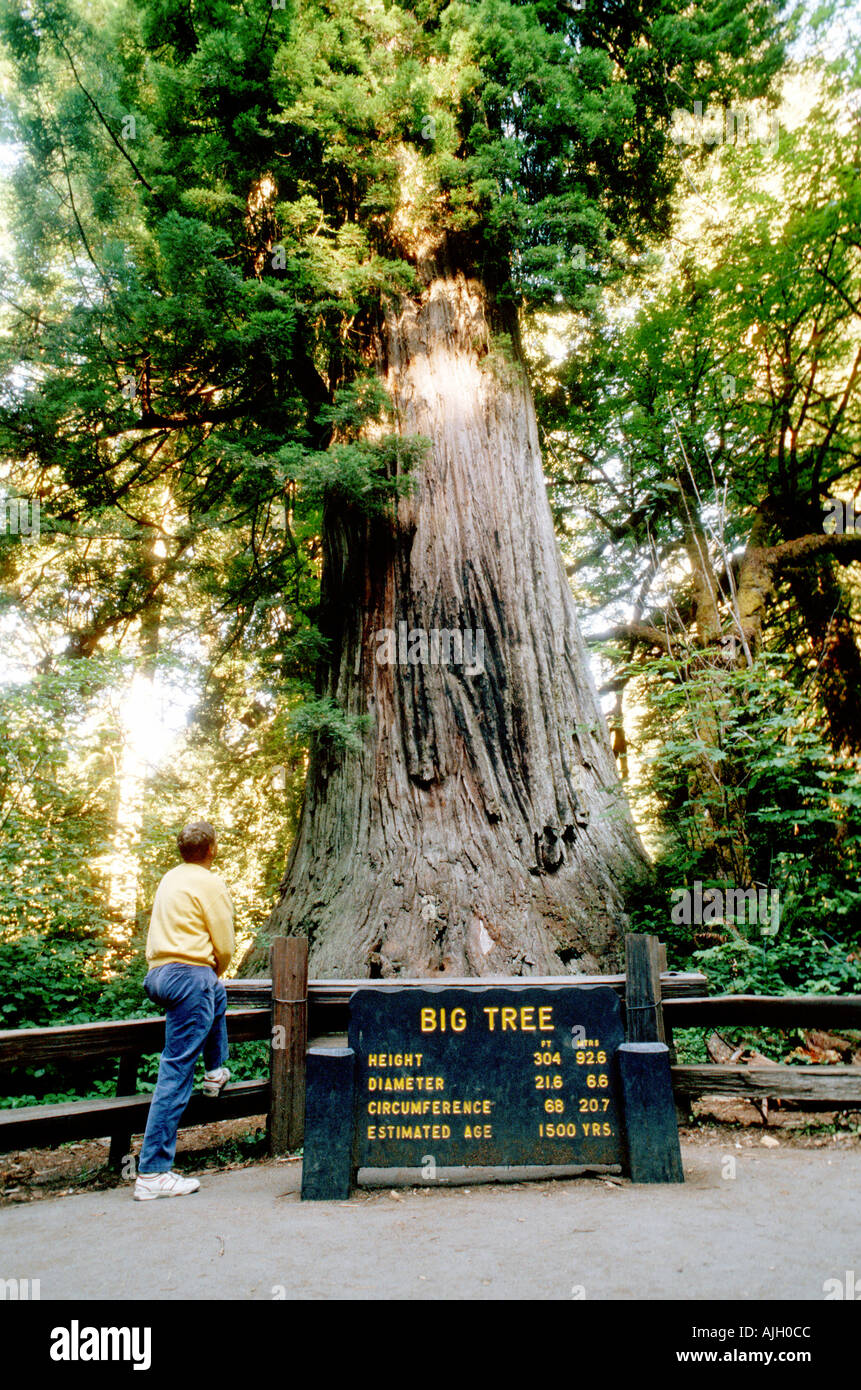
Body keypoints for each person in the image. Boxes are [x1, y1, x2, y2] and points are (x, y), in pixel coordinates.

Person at [133, 820, 235, 1200]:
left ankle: (215, 1069)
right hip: (189, 977)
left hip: (158, 974)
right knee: (175, 1070)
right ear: (211, 850)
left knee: (218, 996)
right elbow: (223, 942)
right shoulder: (210, 883)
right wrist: (214, 969)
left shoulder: (169, 879)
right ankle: (153, 1172)